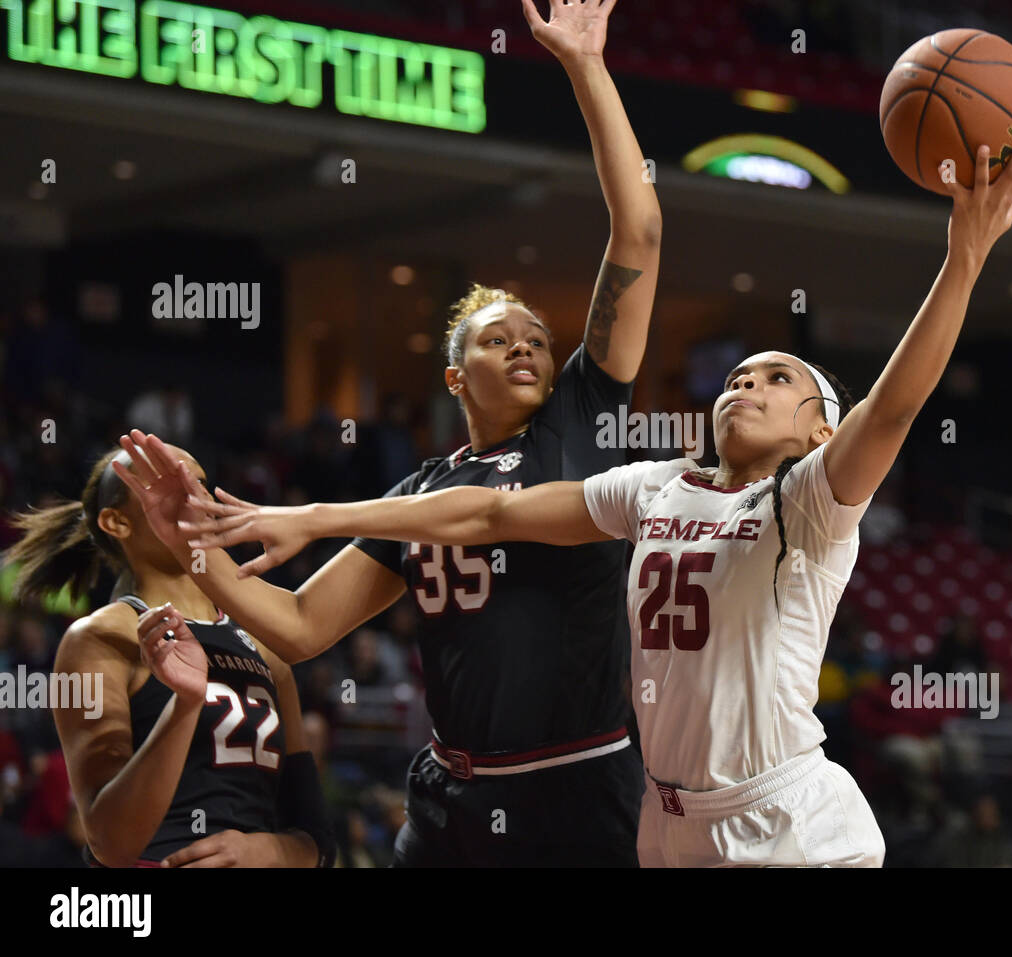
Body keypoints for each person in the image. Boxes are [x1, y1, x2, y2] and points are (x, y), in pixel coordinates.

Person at [136, 134, 1012, 865]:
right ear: (454, 374)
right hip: (639, 817)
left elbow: (888, 404)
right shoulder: (652, 484)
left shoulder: (782, 493)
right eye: (740, 374)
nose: (747, 384)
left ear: (818, 432)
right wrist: (244, 531)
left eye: (779, 379)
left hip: (720, 808)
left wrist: (964, 259)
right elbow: (477, 519)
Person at [115, 0, 661, 867]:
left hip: (578, 787)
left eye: (536, 338)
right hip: (448, 800)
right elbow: (299, 626)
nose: (524, 345)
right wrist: (192, 542)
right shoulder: (415, 492)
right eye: (497, 340)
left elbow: (639, 230)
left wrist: (587, 68)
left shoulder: (581, 418)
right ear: (455, 377)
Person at [3, 447, 333, 867]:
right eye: (169, 484)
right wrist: (184, 706)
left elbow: (318, 842)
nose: (195, 495)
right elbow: (109, 841)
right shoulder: (99, 638)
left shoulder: (267, 641)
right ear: (117, 522)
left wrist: (269, 851)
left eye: (199, 482)